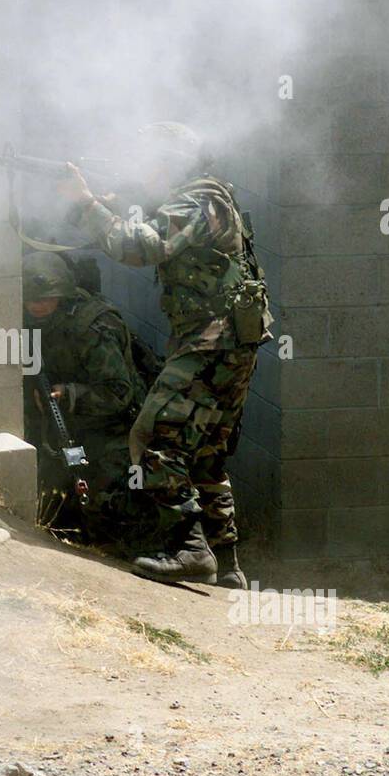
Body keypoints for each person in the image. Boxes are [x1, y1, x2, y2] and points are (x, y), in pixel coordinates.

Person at [56, 121, 272, 587]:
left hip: (210, 344)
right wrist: (112, 207)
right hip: (229, 344)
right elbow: (150, 227)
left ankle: (189, 548)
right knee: (207, 450)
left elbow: (137, 247)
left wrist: (86, 204)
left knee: (153, 437)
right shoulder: (208, 196)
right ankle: (226, 560)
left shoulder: (196, 200)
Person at [21, 252, 154, 548]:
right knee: (56, 499)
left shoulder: (92, 328)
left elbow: (118, 393)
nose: (38, 305)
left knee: (108, 506)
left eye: (47, 298)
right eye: (32, 299)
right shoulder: (31, 321)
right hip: (71, 431)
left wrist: (69, 395)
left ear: (63, 293)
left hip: (114, 430)